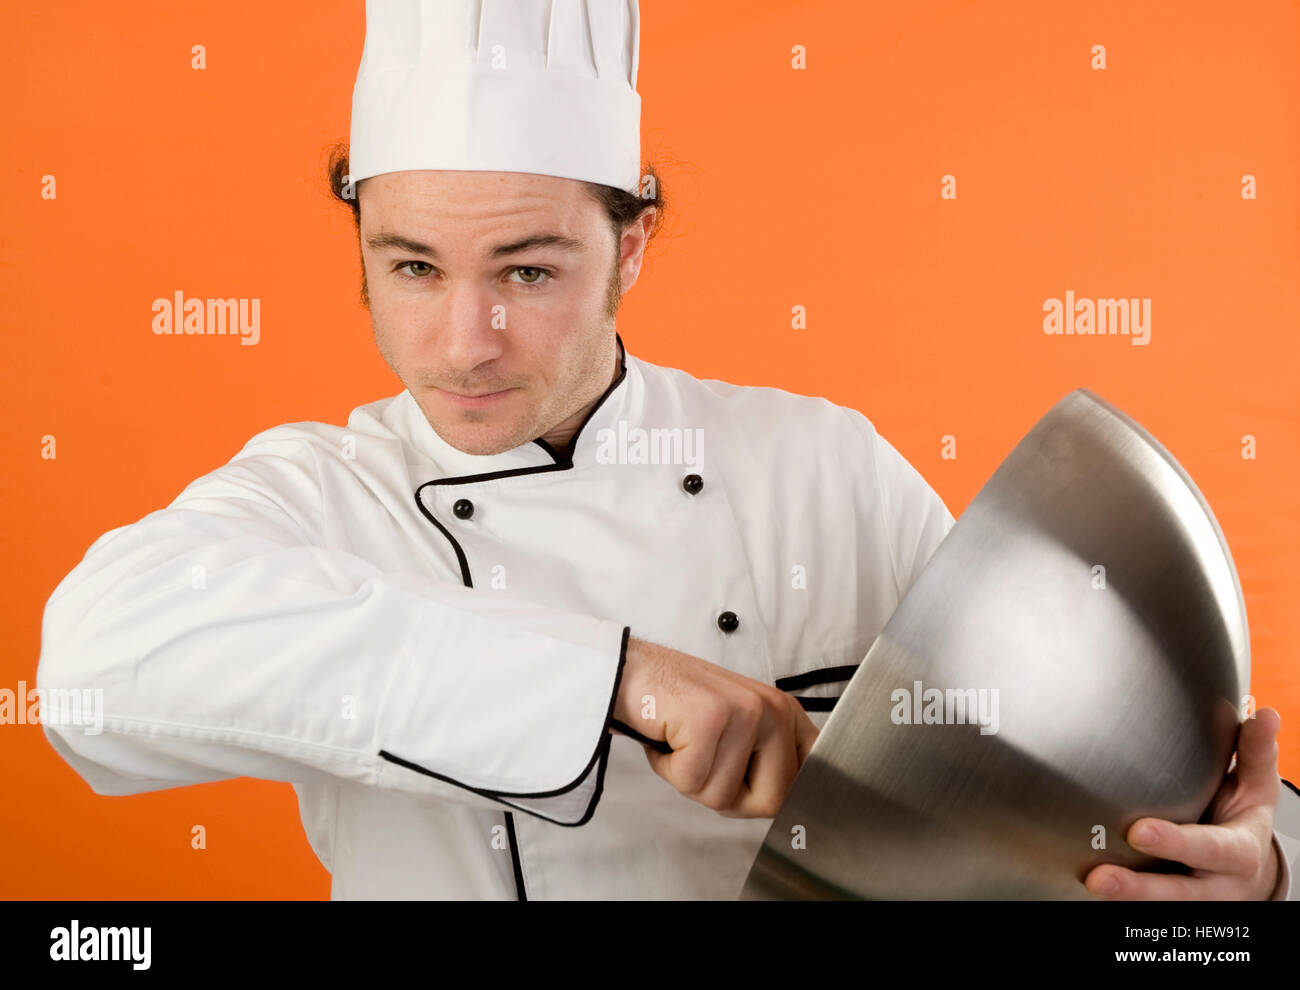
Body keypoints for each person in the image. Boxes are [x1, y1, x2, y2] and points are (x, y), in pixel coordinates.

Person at [37, 0, 1294, 900]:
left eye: (529, 270)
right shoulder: (319, 495)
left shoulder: (822, 470)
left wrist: (1259, 873)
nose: (464, 341)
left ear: (630, 247)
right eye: (410, 267)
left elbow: (1067, 772)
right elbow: (94, 672)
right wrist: (613, 680)